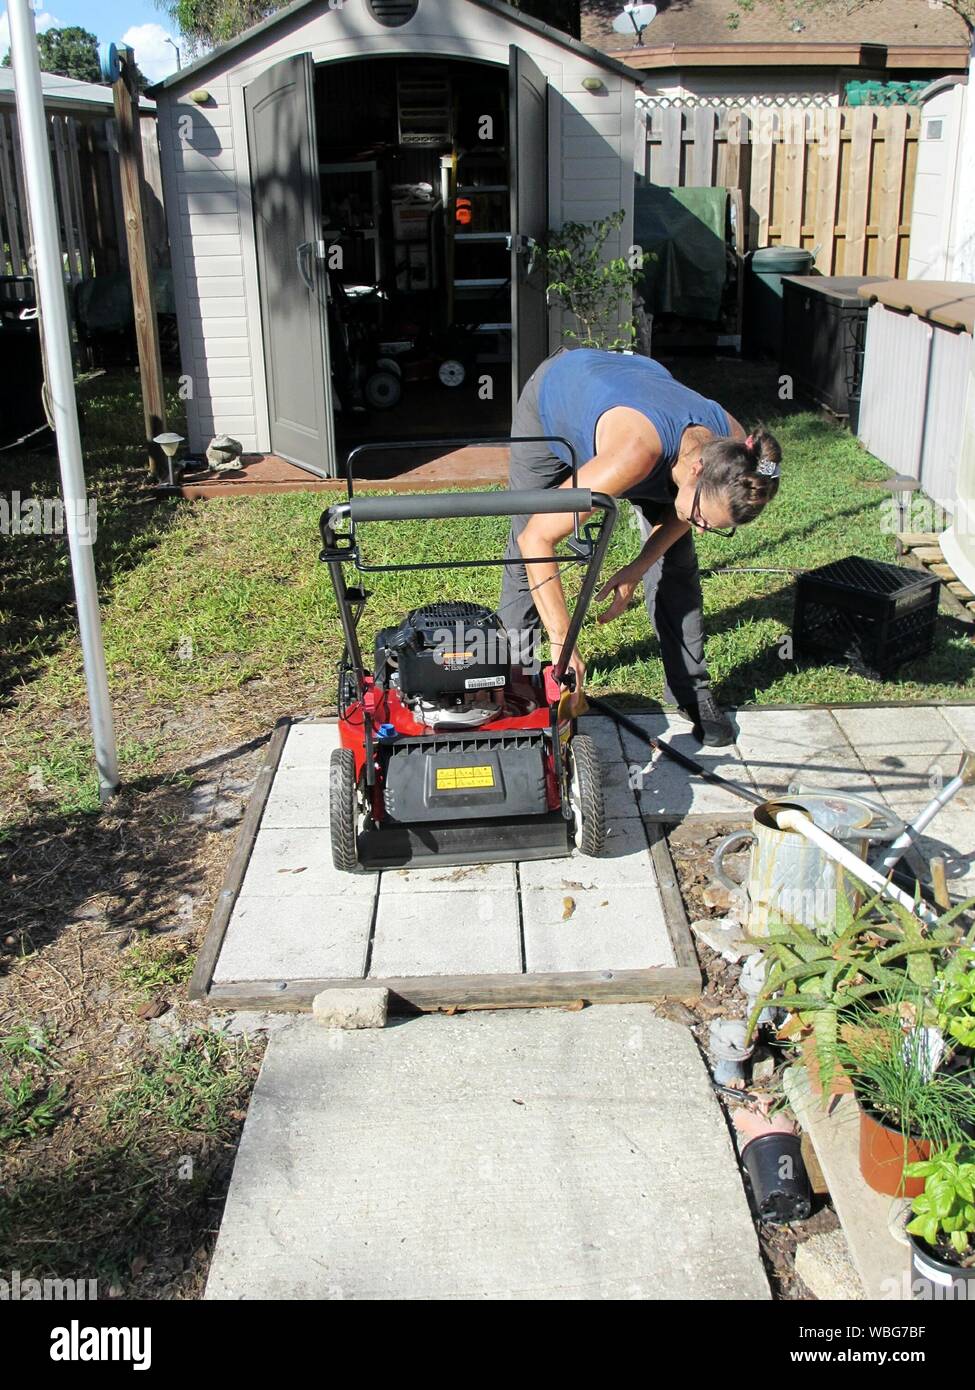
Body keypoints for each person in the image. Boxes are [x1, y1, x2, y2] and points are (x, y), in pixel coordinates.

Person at [498, 347, 782, 746]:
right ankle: (514, 685)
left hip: (638, 386)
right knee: (526, 543)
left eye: (713, 526)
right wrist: (564, 640)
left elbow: (681, 521)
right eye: (701, 516)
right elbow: (537, 538)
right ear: (697, 470)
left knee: (677, 562)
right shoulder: (637, 452)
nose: (699, 528)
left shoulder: (734, 449)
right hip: (559, 392)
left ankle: (692, 692)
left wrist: (639, 564)